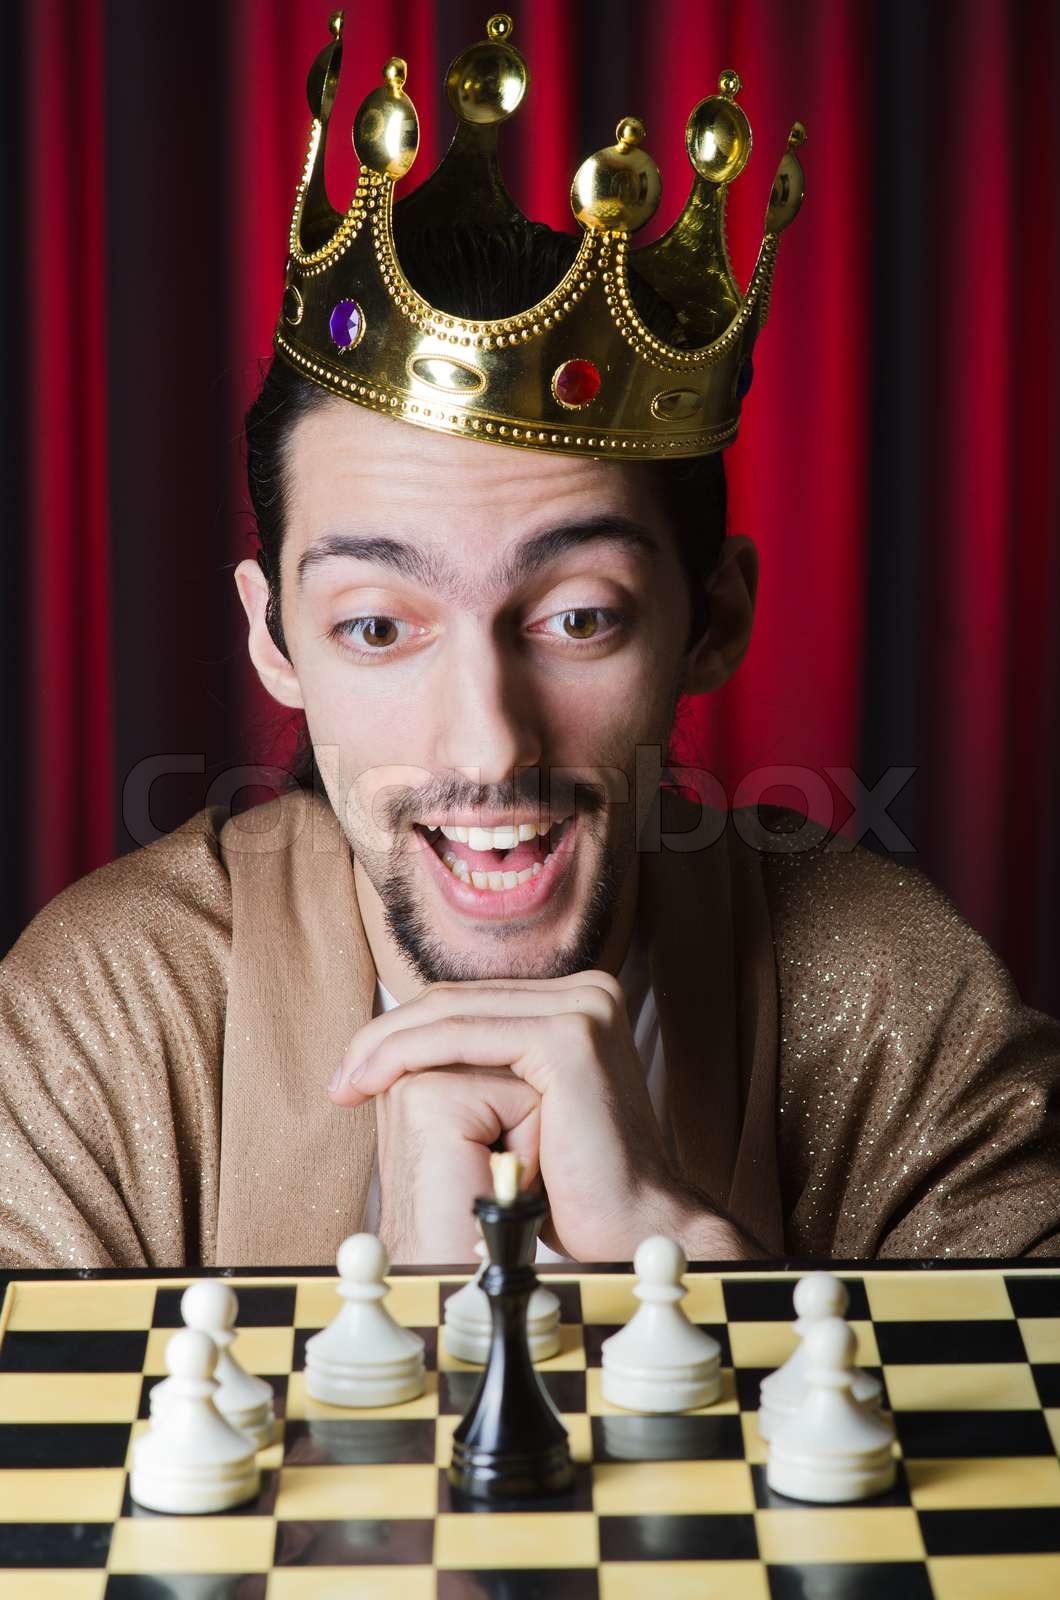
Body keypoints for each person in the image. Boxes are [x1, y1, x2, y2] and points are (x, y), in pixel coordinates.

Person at [2, 13, 1058, 1270]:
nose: (489, 746)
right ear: (273, 638)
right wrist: (409, 1336)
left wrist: (690, 1285)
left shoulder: (901, 1003)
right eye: (377, 625)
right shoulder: (97, 1023)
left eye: (576, 618)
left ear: (711, 620)